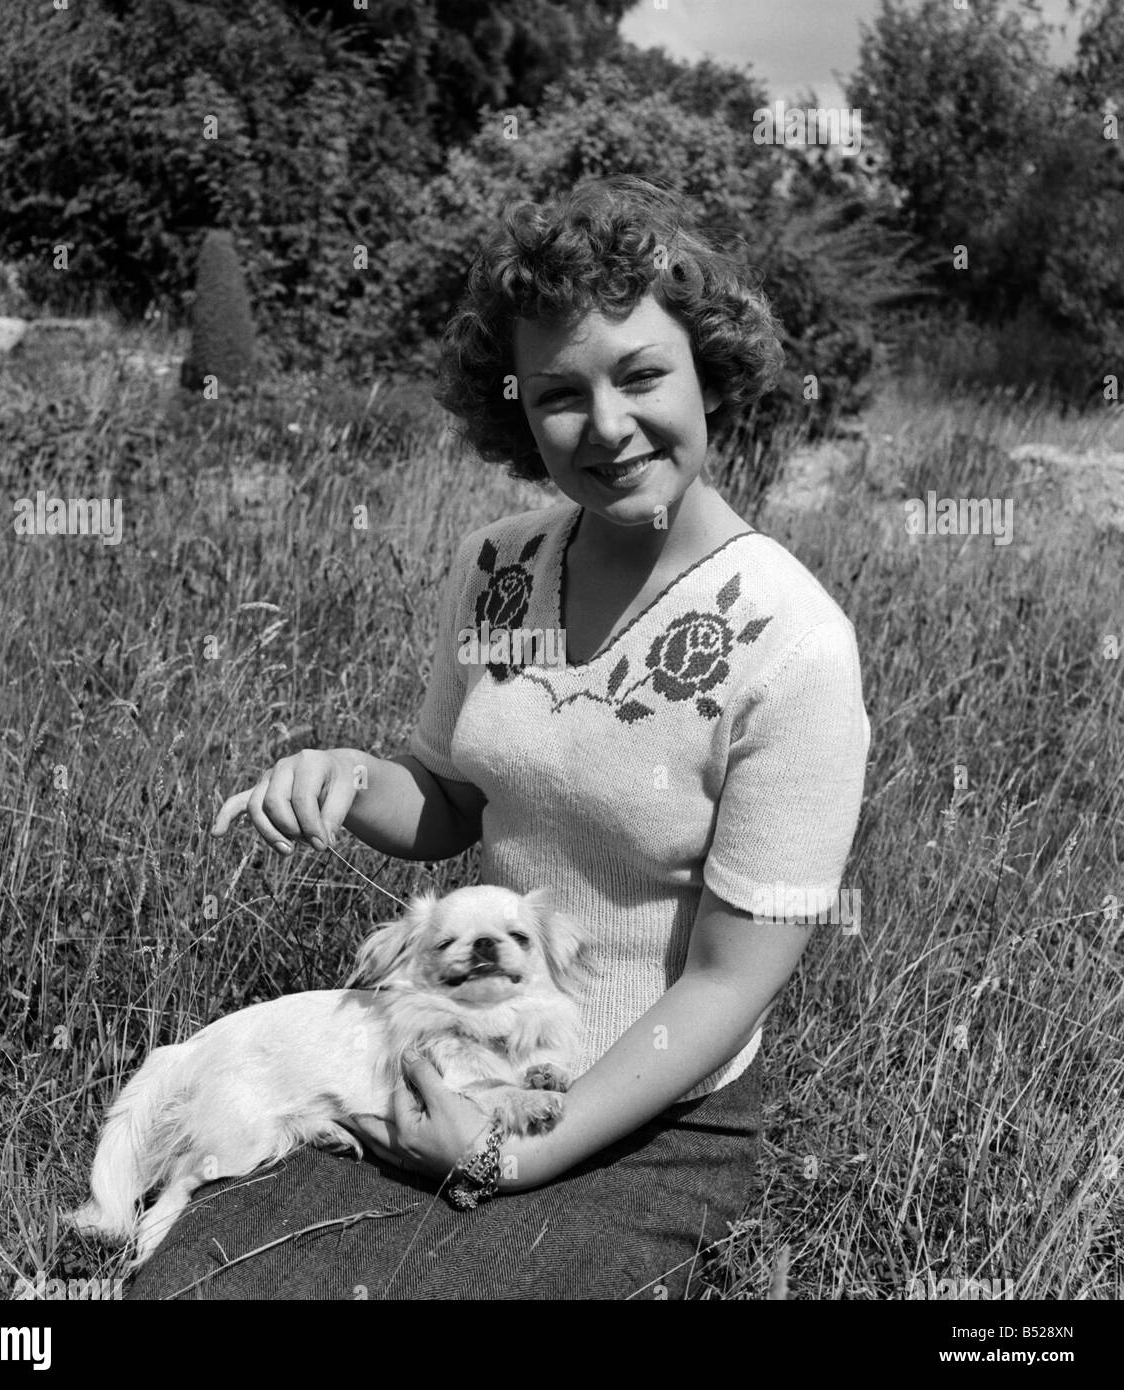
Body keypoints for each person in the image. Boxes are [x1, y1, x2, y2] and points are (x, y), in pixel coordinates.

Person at [124, 174, 871, 1300]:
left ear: (709, 371)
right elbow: (447, 801)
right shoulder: (501, 566)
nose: (607, 426)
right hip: (455, 1052)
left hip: (654, 1113)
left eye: (642, 374)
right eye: (561, 392)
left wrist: (513, 1151)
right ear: (516, 410)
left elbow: (728, 983)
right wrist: (350, 776)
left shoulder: (795, 642)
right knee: (205, 1286)